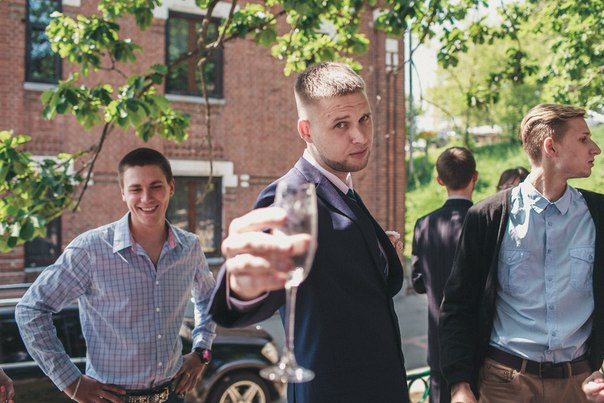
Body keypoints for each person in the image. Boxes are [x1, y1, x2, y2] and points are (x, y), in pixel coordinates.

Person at [209, 62, 410, 402]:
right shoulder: (291, 195)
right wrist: (241, 287)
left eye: (364, 118)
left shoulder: (343, 188)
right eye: (341, 124)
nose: (360, 136)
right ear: (307, 130)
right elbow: (262, 279)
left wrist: (378, 252)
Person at [15, 147, 217, 403]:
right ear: (123, 193)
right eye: (135, 189)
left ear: (171, 187)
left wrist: (202, 351)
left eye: (156, 186)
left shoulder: (190, 247)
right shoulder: (90, 250)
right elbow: (31, 310)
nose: (146, 198)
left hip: (172, 395)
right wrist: (71, 382)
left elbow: (209, 299)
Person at [439, 104, 604, 403]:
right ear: (551, 147)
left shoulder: (599, 215)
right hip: (504, 385)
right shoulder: (487, 217)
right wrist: (459, 385)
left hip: (581, 386)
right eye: (583, 139)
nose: (595, 149)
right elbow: (458, 307)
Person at [411, 147, 477, 403]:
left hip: (439, 341)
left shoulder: (424, 225)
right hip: (479, 343)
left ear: (440, 180)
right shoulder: (485, 222)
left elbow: (418, 283)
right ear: (475, 176)